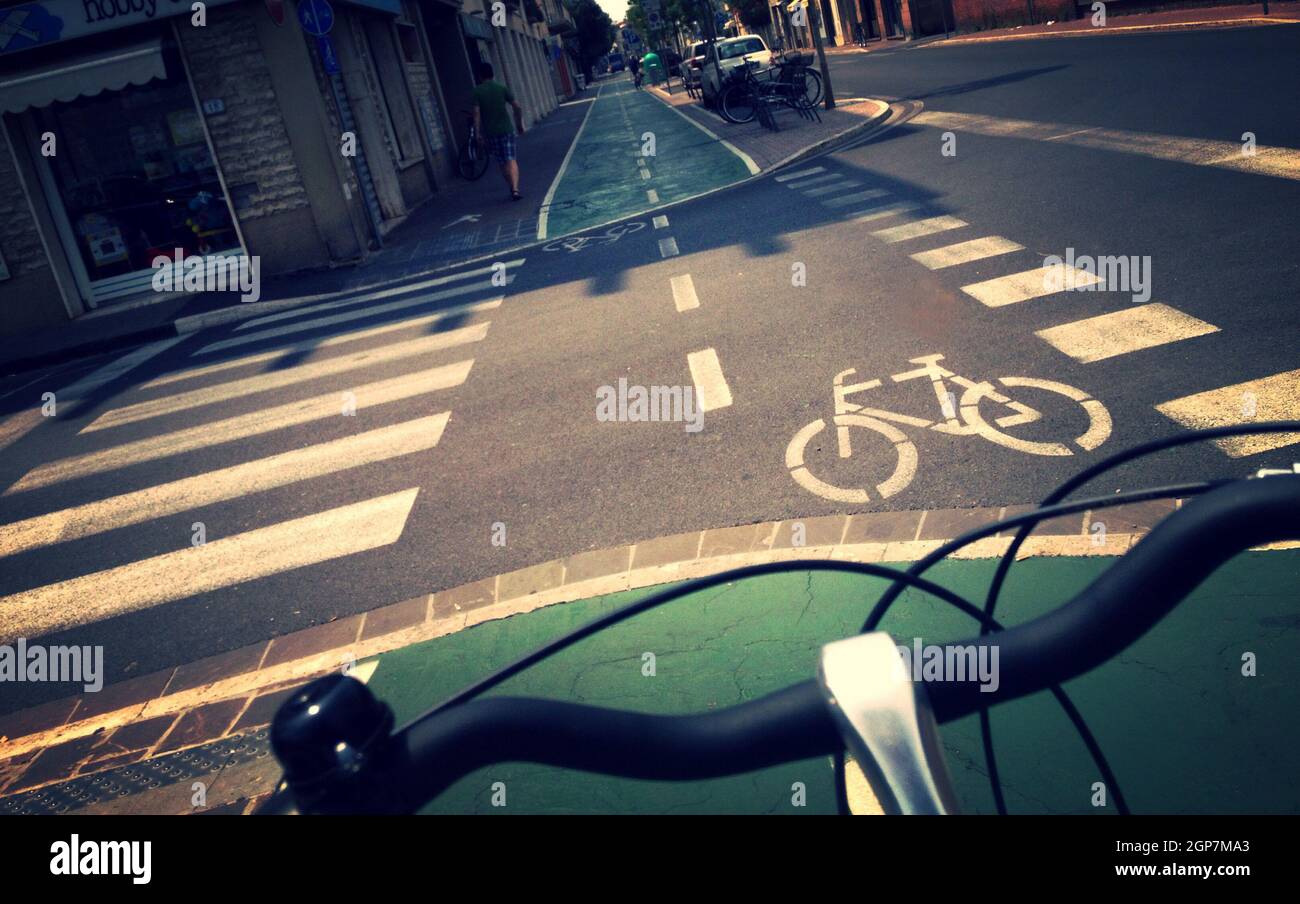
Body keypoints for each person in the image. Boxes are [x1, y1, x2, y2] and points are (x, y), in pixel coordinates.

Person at [471, 62, 525, 201]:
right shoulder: (501, 88)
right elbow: (517, 107)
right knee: (511, 159)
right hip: (506, 130)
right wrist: (519, 124)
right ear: (492, 73)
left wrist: (477, 133)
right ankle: (515, 188)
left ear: (480, 76)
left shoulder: (477, 92)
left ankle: (511, 187)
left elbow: (476, 114)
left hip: (491, 133)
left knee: (502, 162)